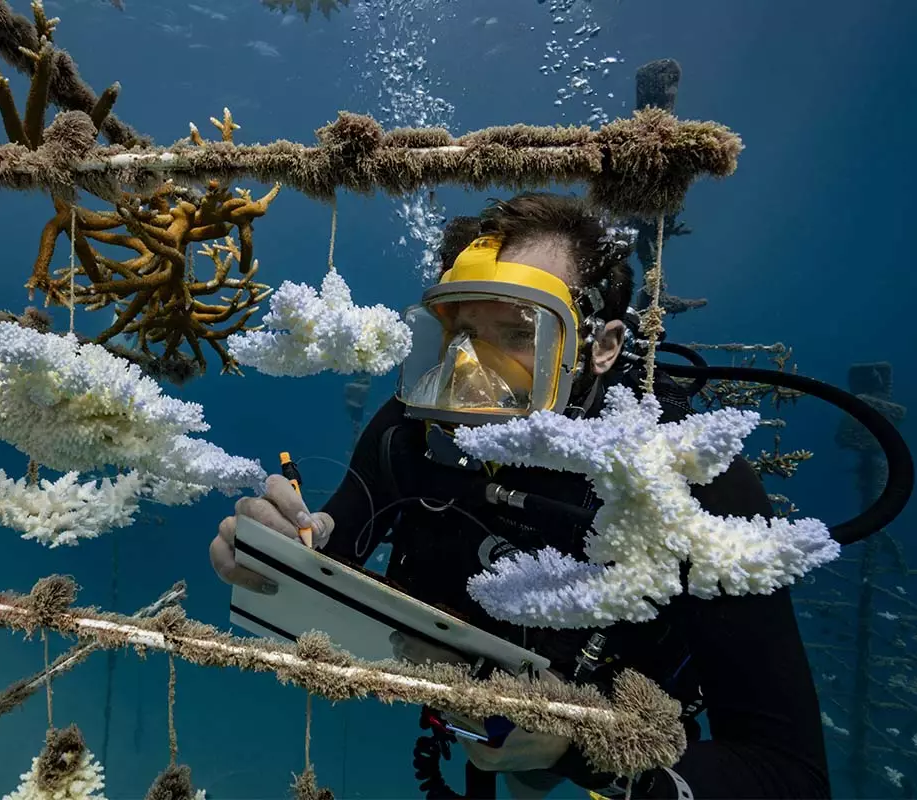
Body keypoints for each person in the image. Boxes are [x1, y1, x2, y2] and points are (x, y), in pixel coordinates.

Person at [209, 192, 831, 799]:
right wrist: (275, 547)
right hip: (466, 716)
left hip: (617, 746)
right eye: (459, 334)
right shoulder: (408, 434)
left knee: (535, 778)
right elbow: (328, 551)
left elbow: (791, 775)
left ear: (602, 347)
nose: (470, 372)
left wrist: (582, 750)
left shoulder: (694, 484)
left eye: (515, 334)